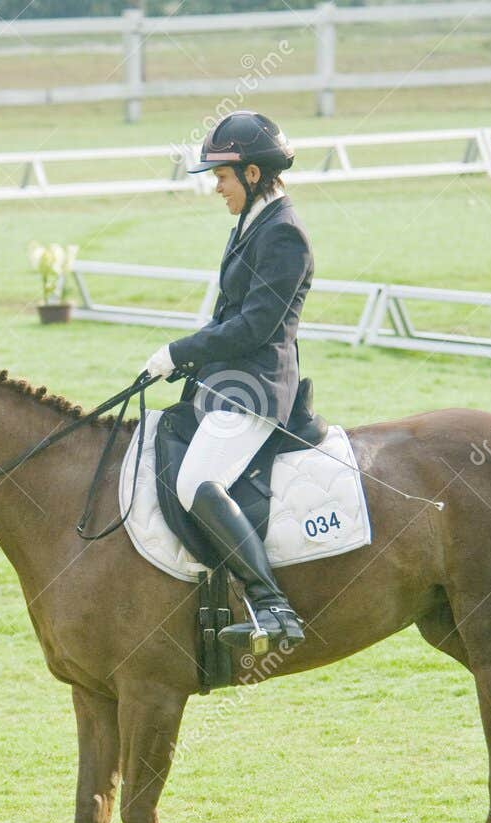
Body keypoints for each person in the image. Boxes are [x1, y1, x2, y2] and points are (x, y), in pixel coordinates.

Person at [142, 110, 314, 650]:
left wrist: (180, 351)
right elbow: (226, 314)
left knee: (197, 483)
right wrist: (188, 362)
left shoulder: (285, 236)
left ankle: (273, 608)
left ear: (253, 174)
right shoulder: (251, 225)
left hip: (258, 390)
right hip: (227, 382)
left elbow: (256, 326)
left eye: (221, 177)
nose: (217, 188)